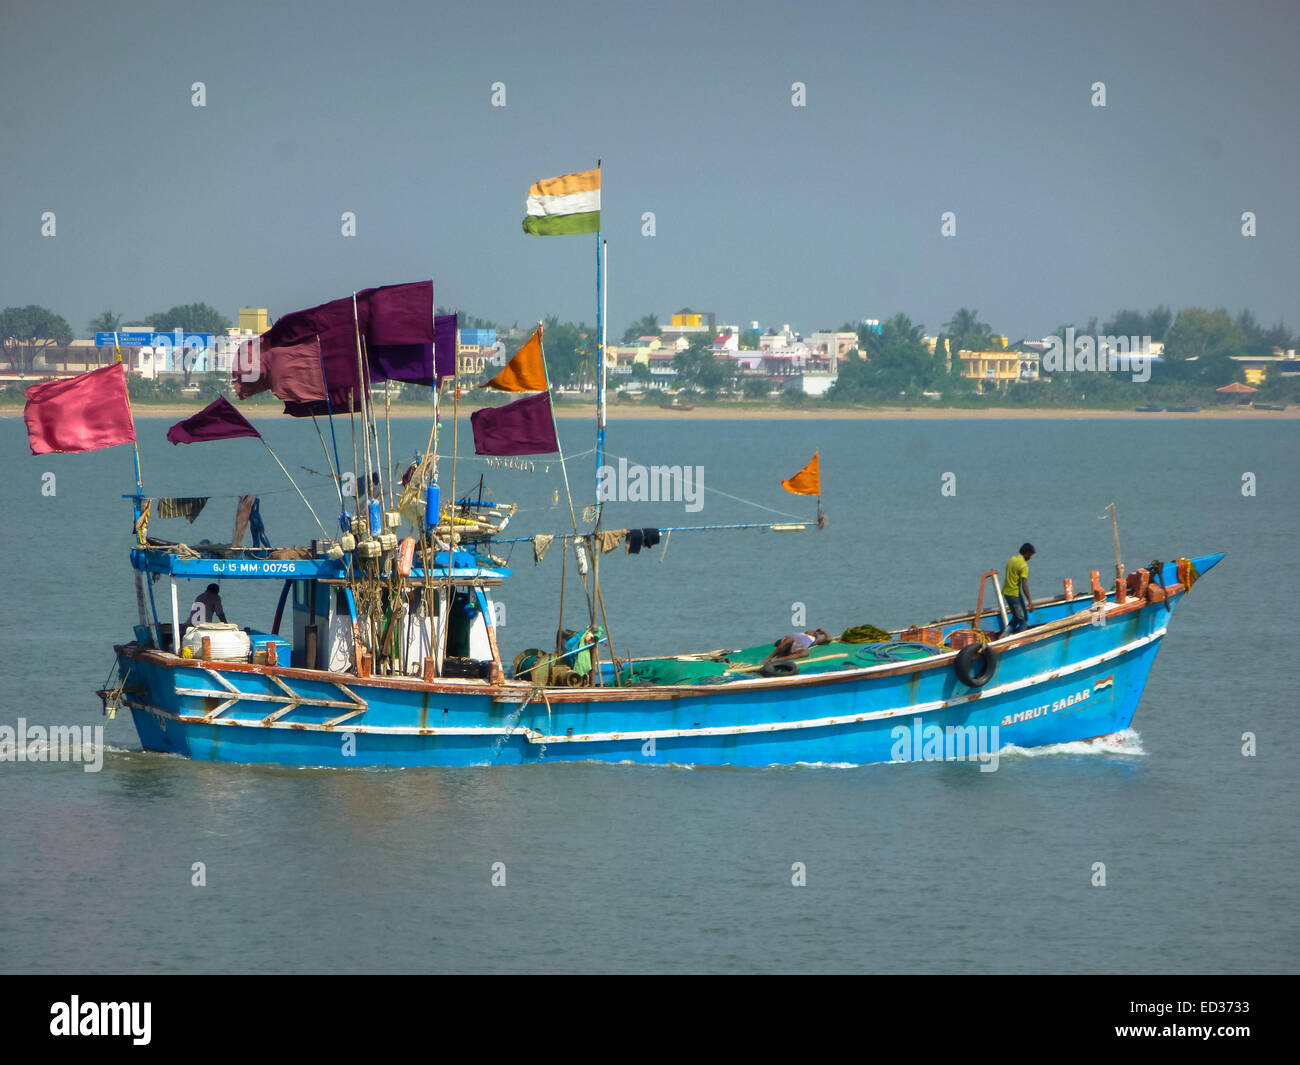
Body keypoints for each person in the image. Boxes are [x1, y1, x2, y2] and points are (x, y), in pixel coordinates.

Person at [1001, 543, 1036, 635]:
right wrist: (1030, 601)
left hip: (1006, 593)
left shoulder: (1012, 560)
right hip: (1014, 594)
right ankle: (1018, 639)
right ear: (1027, 553)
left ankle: (1003, 635)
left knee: (1016, 617)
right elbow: (1024, 585)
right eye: (1030, 555)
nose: (1030, 558)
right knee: (1024, 621)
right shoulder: (1024, 566)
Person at [762, 628, 830, 669]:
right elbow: (778, 642)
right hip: (787, 644)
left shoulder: (813, 640)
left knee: (806, 653)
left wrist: (824, 632)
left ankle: (777, 660)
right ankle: (769, 658)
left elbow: (828, 639)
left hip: (796, 649)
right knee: (790, 639)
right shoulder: (800, 634)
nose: (812, 631)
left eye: (813, 632)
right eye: (811, 630)